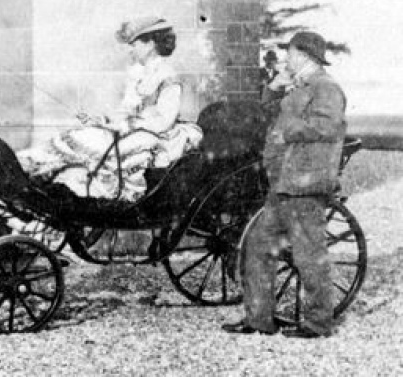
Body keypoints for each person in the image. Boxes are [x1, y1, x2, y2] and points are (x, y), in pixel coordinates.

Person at [223, 30, 346, 339]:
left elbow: (326, 126)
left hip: (305, 184)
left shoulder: (326, 88)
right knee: (258, 246)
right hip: (283, 184)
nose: (285, 59)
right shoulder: (300, 87)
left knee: (308, 254)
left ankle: (318, 324)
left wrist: (287, 132)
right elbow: (272, 112)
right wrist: (274, 89)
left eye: (289, 53)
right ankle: (259, 318)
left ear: (304, 56)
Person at [18, 17, 202, 202]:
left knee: (108, 148)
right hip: (132, 129)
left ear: (150, 45)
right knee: (86, 134)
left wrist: (125, 125)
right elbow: (126, 110)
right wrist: (103, 121)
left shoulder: (168, 75)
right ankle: (35, 166)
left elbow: (164, 120)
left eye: (134, 44)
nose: (130, 50)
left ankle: (91, 189)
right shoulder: (137, 73)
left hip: (156, 136)